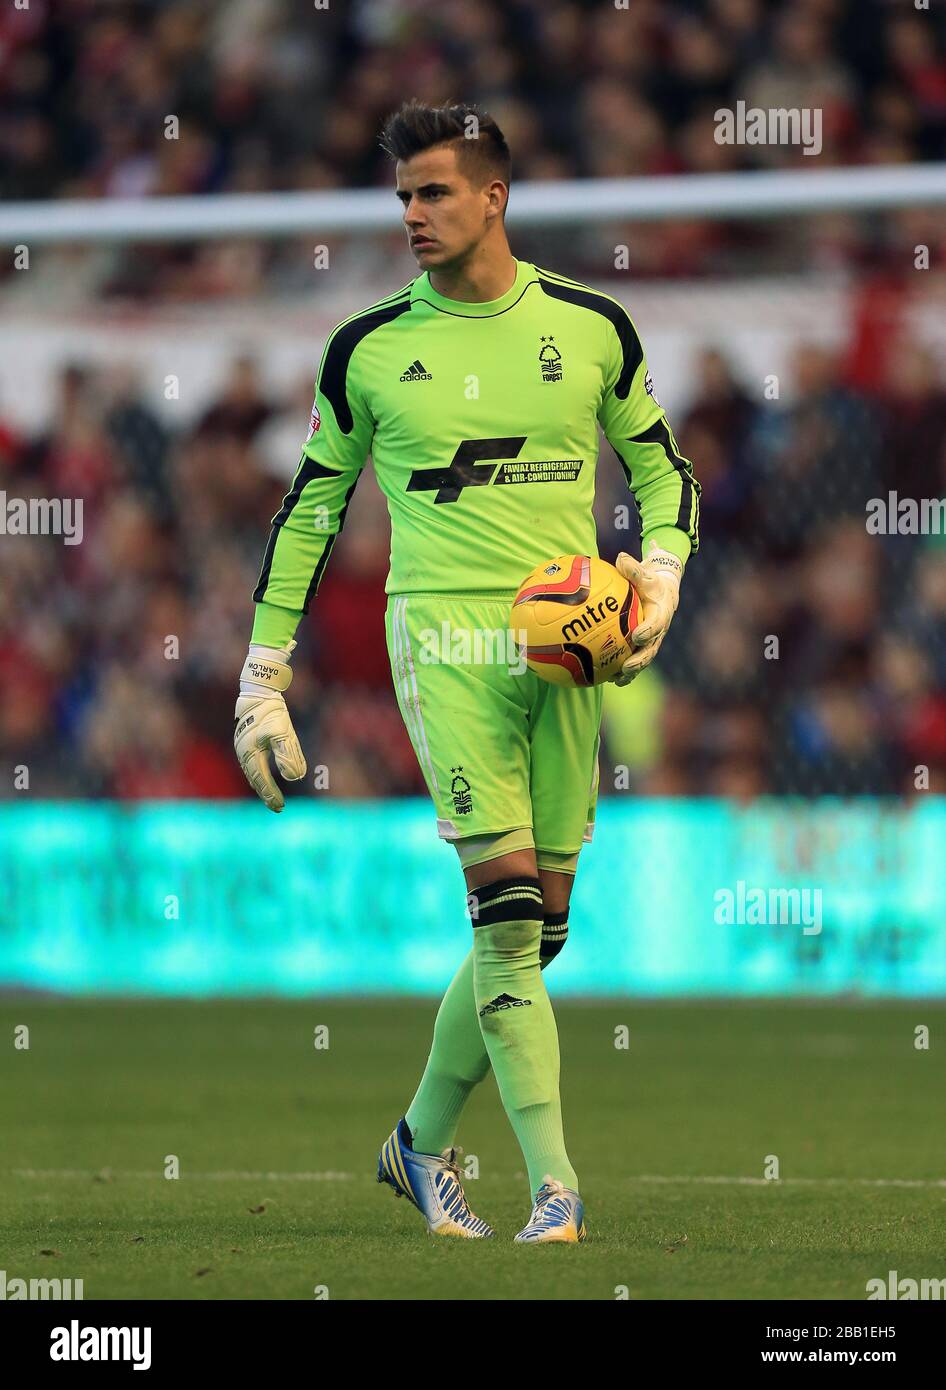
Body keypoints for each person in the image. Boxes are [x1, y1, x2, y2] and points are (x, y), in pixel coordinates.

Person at [234, 100, 700, 1243]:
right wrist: (263, 673)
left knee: (541, 930)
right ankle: (556, 1187)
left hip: (568, 638)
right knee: (500, 918)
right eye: (401, 195)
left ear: (493, 196)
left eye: (433, 191)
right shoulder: (367, 348)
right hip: (440, 643)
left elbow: (662, 466)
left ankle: (417, 1137)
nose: (412, 214)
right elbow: (309, 512)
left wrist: (662, 569)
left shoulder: (593, 326)